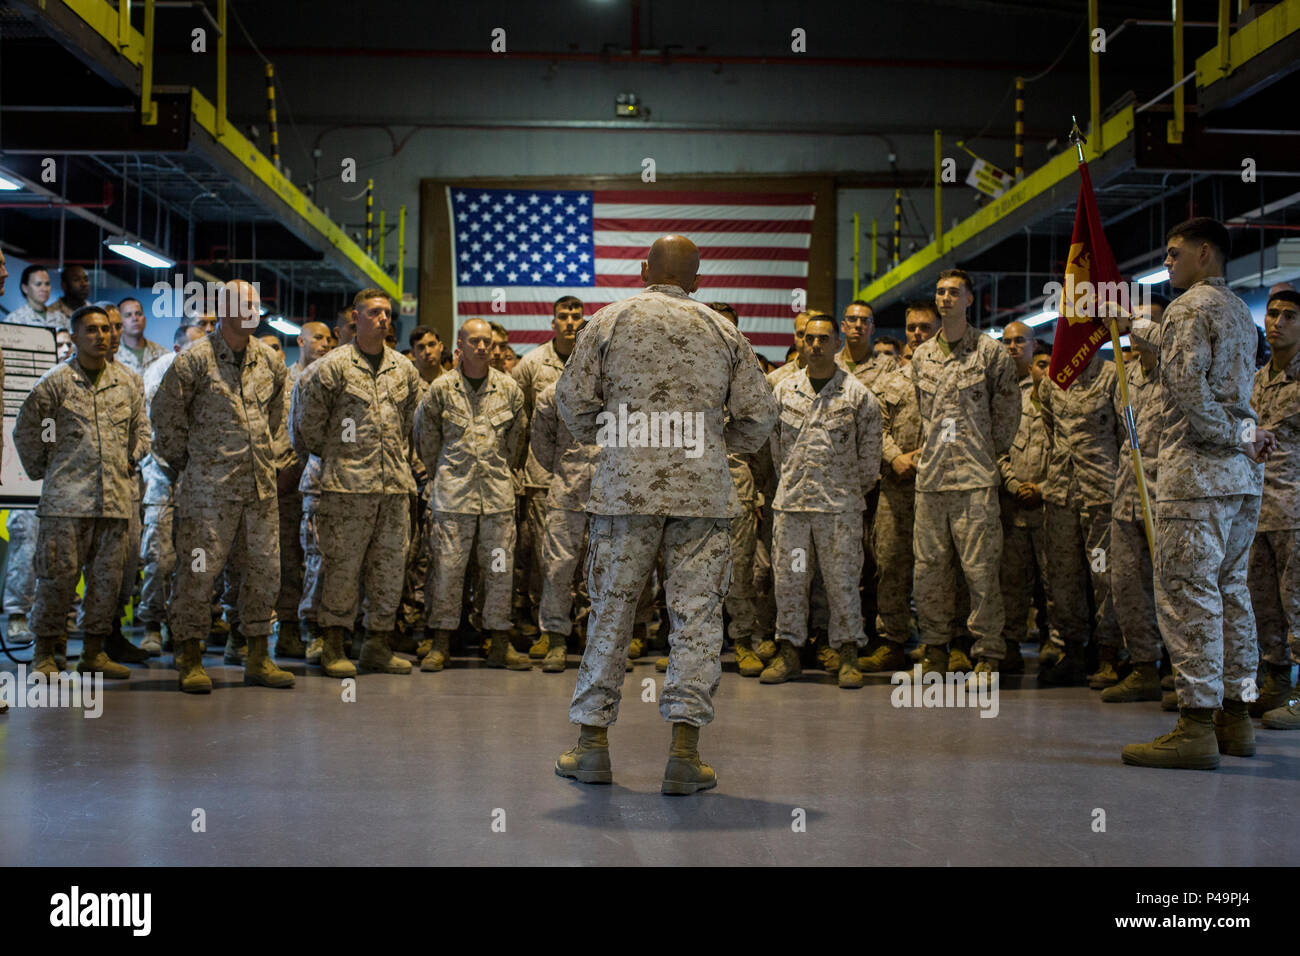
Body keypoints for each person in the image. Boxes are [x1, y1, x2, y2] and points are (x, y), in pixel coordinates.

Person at [553, 234, 778, 795]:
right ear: (697, 279)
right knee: (696, 621)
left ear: (644, 269)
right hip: (703, 498)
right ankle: (683, 756)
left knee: (610, 614)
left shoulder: (607, 321)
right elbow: (759, 415)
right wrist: (709, 446)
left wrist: (618, 442)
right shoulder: (723, 330)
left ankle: (591, 749)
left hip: (625, 495)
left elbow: (573, 403)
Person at [1121, 217, 1273, 770]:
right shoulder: (1236, 310)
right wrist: (1138, 327)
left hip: (1197, 479)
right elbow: (1194, 361)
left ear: (1204, 253)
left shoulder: (1188, 307)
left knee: (1189, 596)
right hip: (1239, 480)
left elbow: (1187, 387)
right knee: (1232, 591)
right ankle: (1236, 717)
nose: (1166, 264)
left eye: (1173, 254)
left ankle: (1195, 725)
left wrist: (1234, 433)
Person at [151, 279, 294, 693]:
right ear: (224, 307)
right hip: (208, 493)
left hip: (259, 491)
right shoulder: (194, 361)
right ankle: (191, 657)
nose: (253, 311)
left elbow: (276, 421)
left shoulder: (269, 361)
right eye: (244, 304)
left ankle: (256, 656)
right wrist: (194, 467)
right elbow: (167, 423)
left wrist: (266, 460)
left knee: (262, 574)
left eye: (256, 305)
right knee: (198, 574)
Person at [294, 289, 423, 677]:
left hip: (393, 488)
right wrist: (341, 459)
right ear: (355, 317)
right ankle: (334, 643)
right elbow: (306, 429)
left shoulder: (404, 369)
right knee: (341, 567)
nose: (384, 319)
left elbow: (411, 425)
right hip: (345, 487)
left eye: (387, 313)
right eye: (374, 312)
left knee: (388, 569)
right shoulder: (330, 368)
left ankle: (377, 645)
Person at [14, 305, 148, 679]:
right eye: (91, 330)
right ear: (74, 336)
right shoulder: (54, 384)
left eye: (105, 329)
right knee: (57, 579)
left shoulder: (128, 382)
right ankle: (46, 651)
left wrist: (130, 458)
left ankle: (93, 651)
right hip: (65, 502)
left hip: (115, 502)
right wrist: (47, 470)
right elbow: (29, 433)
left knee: (107, 583)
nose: (101, 336)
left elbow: (143, 432)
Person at [910, 269, 1020, 681]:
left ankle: (988, 655)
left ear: (970, 299)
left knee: (980, 571)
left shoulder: (989, 352)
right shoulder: (922, 356)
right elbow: (926, 413)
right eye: (939, 292)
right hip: (933, 480)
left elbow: (1007, 414)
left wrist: (984, 455)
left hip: (975, 479)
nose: (945, 298)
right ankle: (935, 648)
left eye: (954, 292)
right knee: (929, 570)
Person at [763, 312, 881, 689]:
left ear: (837, 344)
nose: (815, 345)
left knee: (843, 582)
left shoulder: (858, 396)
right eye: (809, 339)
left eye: (823, 339)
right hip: (794, 509)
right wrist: (795, 482)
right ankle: (790, 653)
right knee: (791, 581)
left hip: (838, 511)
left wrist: (846, 491)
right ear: (801, 342)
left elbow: (870, 459)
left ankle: (848, 654)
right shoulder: (783, 391)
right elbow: (776, 450)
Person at [413, 317, 527, 672]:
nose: (482, 347)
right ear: (459, 345)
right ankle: (441, 642)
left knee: (499, 570)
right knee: (447, 570)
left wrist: (497, 472)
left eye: (487, 342)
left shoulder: (509, 390)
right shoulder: (441, 390)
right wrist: (444, 474)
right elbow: (426, 440)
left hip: (497, 499)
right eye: (474, 341)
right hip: (453, 499)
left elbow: (516, 443)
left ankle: (498, 642)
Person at [1035, 319, 1123, 687]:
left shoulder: (1112, 376)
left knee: (1105, 577)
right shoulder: (1053, 382)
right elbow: (1051, 430)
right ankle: (1072, 649)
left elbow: (1123, 435)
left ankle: (1109, 655)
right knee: (1063, 578)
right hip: (1061, 494)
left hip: (1101, 495)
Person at [858, 300, 939, 671]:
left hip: (939, 489)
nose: (917, 334)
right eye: (912, 328)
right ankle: (892, 641)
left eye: (925, 327)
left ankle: (942, 643)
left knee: (938, 566)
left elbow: (961, 427)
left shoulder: (949, 378)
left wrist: (921, 459)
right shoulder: (893, 380)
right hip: (895, 487)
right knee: (889, 563)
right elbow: (876, 428)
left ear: (939, 327)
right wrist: (894, 458)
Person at [512, 296, 584, 657]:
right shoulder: (532, 364)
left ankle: (586, 632)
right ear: (552, 321)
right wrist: (559, 469)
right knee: (548, 561)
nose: (570, 322)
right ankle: (551, 632)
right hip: (549, 480)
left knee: (592, 564)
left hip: (599, 489)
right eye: (563, 316)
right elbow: (526, 424)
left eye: (576, 316)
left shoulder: (604, 374)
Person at [1101, 309, 1164, 702]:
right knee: (1125, 584)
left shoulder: (1177, 375)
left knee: (1172, 588)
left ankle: (1180, 669)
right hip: (1126, 495)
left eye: (1148, 322)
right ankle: (1144, 666)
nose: (1138, 330)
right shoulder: (1125, 378)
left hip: (1165, 496)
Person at [1247, 289, 1300, 728]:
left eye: (1290, 316)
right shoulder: (1256, 380)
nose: (1277, 321)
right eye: (1273, 313)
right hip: (1259, 510)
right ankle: (1277, 683)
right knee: (1265, 604)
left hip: (1296, 510)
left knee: (1297, 604)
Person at [137, 325, 207, 655]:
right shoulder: (159, 373)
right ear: (178, 350)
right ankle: (151, 623)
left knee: (195, 560)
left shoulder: (211, 373)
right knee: (159, 556)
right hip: (163, 476)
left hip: (200, 480)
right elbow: (153, 429)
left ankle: (183, 628)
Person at [530, 378, 598, 672]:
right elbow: (541, 444)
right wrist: (564, 470)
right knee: (558, 569)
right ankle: (556, 638)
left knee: (603, 572)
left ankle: (596, 641)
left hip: (610, 497)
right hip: (566, 492)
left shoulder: (623, 387)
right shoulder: (554, 393)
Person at [996, 346, 1053, 674]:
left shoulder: (1063, 403)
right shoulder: (1010, 401)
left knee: (1053, 582)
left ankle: (1052, 642)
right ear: (1030, 368)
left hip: (1049, 508)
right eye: (1041, 365)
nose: (1045, 371)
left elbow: (1070, 451)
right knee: (1012, 582)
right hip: (1014, 505)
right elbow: (998, 447)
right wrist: (1015, 485)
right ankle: (1010, 643)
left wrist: (1042, 488)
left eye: (1051, 366)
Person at [116, 298, 168, 377]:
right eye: (128, 315)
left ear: (144, 320)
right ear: (120, 322)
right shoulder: (113, 355)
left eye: (138, 314)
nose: (135, 318)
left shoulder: (162, 354)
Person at [8, 265, 62, 329]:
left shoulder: (60, 317)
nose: (44, 289)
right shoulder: (14, 320)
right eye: (38, 284)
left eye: (47, 284)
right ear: (25, 288)